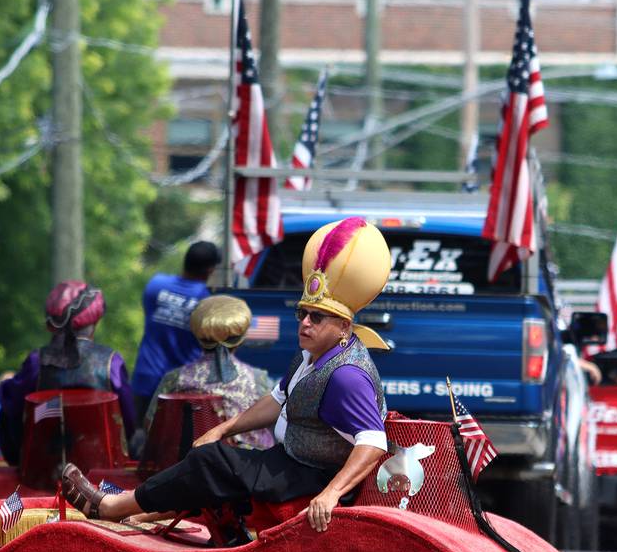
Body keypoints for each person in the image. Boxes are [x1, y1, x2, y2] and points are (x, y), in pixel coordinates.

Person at [62, 217, 393, 535]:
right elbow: (277, 400)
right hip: (292, 463)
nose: (305, 323)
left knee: (212, 463)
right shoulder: (313, 354)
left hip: (312, 476)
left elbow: (373, 442)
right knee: (213, 460)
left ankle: (109, 507)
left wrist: (331, 493)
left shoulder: (346, 375)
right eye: (303, 314)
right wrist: (221, 429)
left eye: (318, 318)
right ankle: (136, 510)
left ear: (344, 327)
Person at [0, 281, 138, 466]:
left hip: (44, 471)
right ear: (94, 322)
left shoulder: (36, 362)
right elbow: (128, 419)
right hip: (100, 471)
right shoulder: (111, 362)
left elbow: (11, 405)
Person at [144, 295, 276, 449]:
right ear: (241, 338)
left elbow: (151, 426)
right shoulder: (258, 378)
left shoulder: (175, 378)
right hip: (245, 468)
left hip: (190, 464)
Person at [131, 241, 220, 421]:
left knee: (138, 439)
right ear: (211, 270)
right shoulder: (207, 301)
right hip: (182, 386)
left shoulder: (155, 285)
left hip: (146, 377)